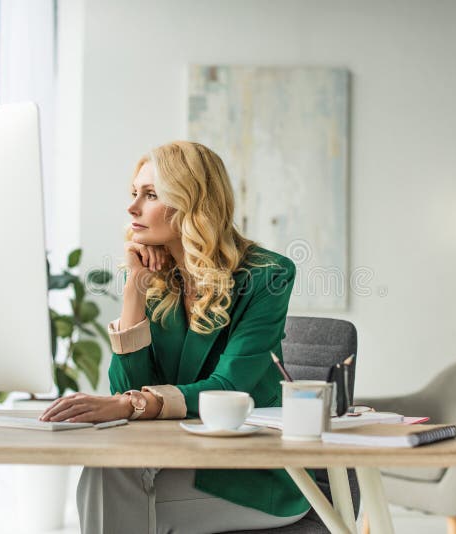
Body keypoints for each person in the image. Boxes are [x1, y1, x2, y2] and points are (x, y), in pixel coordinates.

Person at [39, 141, 310, 533]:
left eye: (150, 195)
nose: (133, 208)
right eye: (134, 193)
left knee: (114, 491)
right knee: (106, 470)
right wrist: (135, 288)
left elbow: (230, 387)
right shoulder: (158, 273)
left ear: (192, 203)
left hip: (250, 472)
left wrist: (131, 405)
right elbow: (128, 391)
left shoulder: (268, 274)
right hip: (170, 455)